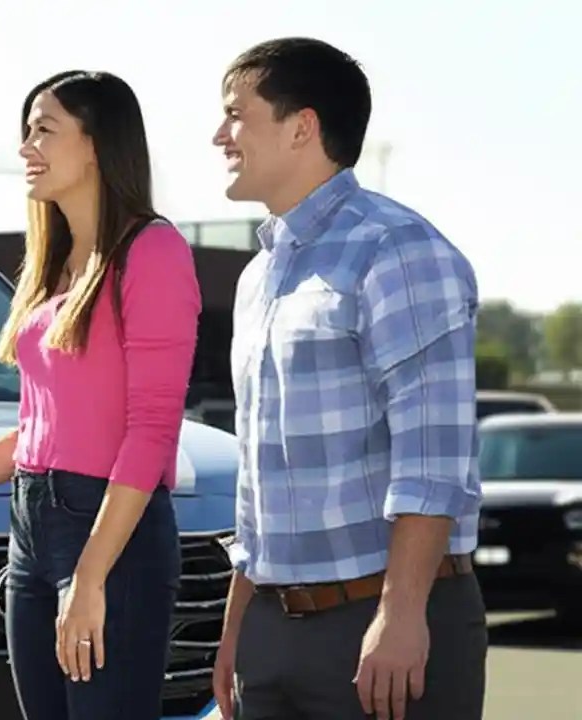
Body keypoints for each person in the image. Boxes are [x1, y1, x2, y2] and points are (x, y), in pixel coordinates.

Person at [0, 70, 201, 719]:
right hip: (30, 529)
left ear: (96, 144)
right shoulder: (54, 266)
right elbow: (35, 430)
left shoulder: (154, 251)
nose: (26, 148)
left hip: (111, 534)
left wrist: (89, 576)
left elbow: (150, 434)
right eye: (26, 132)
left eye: (44, 130)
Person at [208, 37, 487, 720]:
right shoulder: (258, 277)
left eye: (235, 115)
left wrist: (399, 615)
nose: (219, 135)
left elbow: (432, 457)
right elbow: (258, 477)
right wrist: (237, 626)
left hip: (383, 625)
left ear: (302, 125)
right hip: (271, 631)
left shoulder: (398, 249)